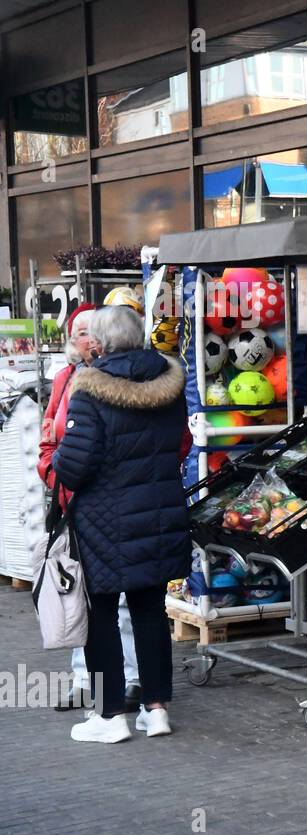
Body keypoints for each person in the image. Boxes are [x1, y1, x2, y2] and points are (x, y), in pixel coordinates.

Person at [53, 306, 191, 743]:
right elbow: (178, 446)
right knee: (151, 612)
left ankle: (111, 715)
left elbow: (73, 466)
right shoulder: (169, 386)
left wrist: (55, 461)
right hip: (159, 514)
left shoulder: (90, 390)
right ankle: (157, 710)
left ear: (100, 343)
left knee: (102, 616)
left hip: (104, 523)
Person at [38, 304, 142, 713]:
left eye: (91, 331)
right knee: (75, 592)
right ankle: (85, 680)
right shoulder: (64, 381)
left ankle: (130, 680)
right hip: (73, 503)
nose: (87, 339)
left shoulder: (119, 379)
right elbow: (50, 435)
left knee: (120, 600)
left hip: (109, 504)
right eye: (80, 332)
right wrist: (52, 474)